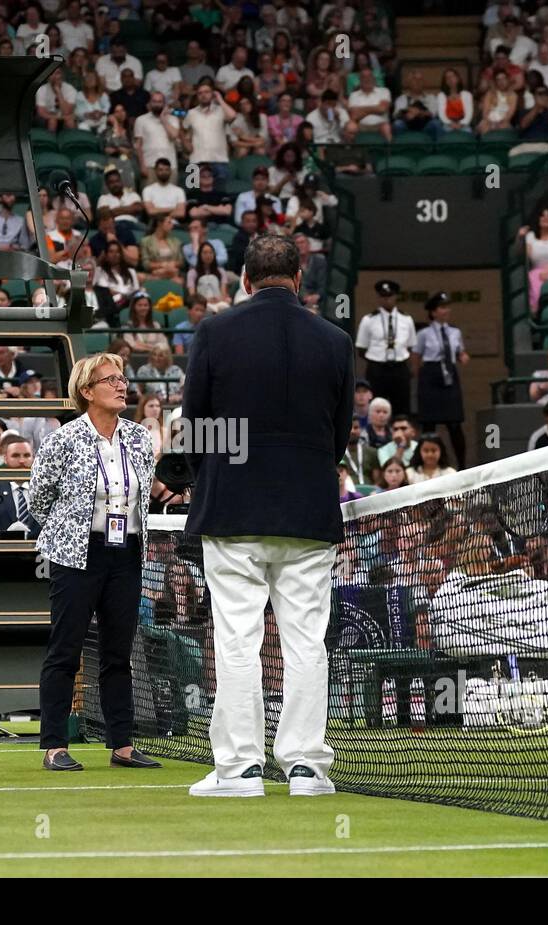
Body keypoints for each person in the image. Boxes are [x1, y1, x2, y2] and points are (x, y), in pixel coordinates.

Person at [183, 234, 354, 797]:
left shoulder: (214, 331)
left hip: (233, 510)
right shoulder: (334, 340)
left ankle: (240, 770)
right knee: (306, 642)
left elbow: (197, 425)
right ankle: (306, 769)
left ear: (246, 279)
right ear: (301, 278)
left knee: (237, 639)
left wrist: (221, 464)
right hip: (307, 511)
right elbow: (339, 433)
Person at [27, 354, 161, 772]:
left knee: (118, 651)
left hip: (127, 552)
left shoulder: (139, 437)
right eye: (110, 380)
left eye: (122, 379)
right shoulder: (62, 439)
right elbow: (38, 500)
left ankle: (121, 743)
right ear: (86, 391)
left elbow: (144, 493)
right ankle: (54, 744)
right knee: (65, 649)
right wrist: (70, 530)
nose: (122, 386)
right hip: (76, 554)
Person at [412, 292, 470, 469]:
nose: (446, 311)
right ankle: (425, 463)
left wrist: (463, 356)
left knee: (454, 423)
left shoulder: (455, 332)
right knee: (429, 423)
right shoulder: (424, 334)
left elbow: (460, 352)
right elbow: (416, 356)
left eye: (447, 307)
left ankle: (462, 465)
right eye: (442, 307)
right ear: (433, 312)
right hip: (431, 373)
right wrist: (419, 376)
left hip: (449, 375)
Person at [354, 279, 415, 420]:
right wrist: (377, 358)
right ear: (378, 298)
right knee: (376, 405)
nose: (386, 299)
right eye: (383, 296)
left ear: (395, 297)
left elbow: (410, 346)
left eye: (390, 296)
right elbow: (362, 349)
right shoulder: (368, 319)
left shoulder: (406, 319)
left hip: (399, 366)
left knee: (402, 407)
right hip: (377, 367)